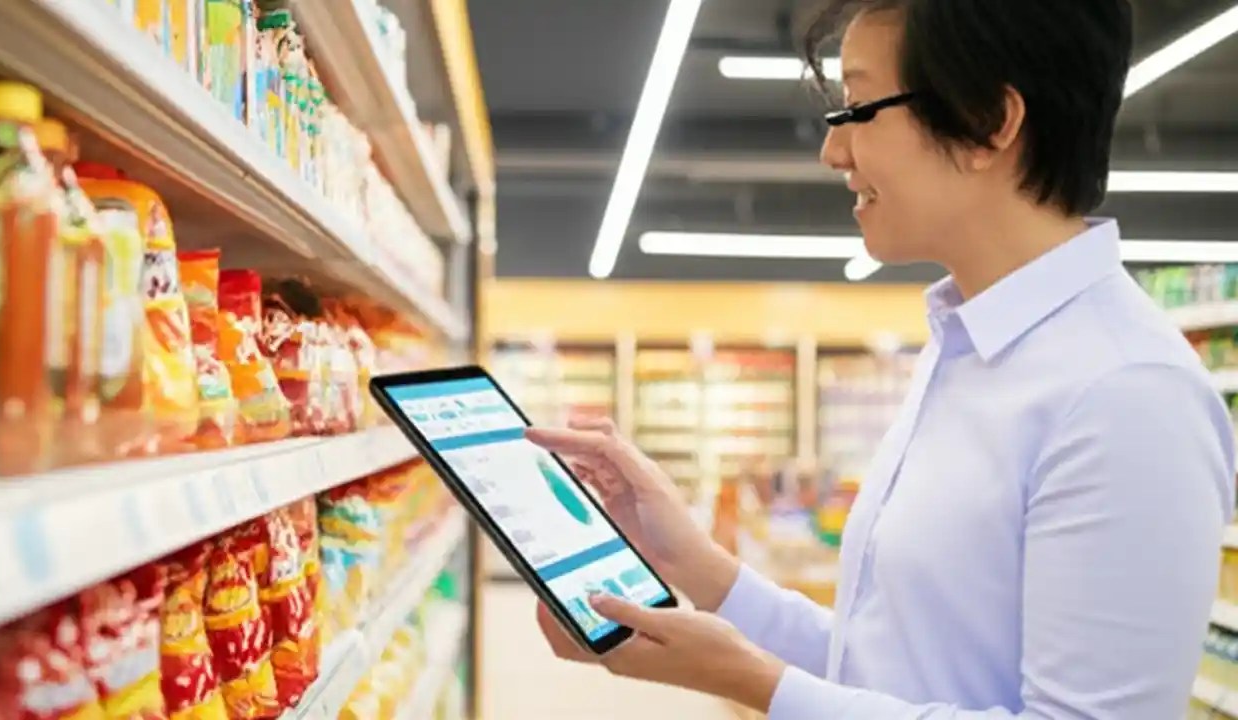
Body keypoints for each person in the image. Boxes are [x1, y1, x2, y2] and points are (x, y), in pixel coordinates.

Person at [524, 0, 1237, 717]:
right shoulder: (966, 352)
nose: (833, 152)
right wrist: (693, 563)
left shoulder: (1127, 393)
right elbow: (888, 664)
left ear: (989, 120)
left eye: (859, 110)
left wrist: (752, 682)